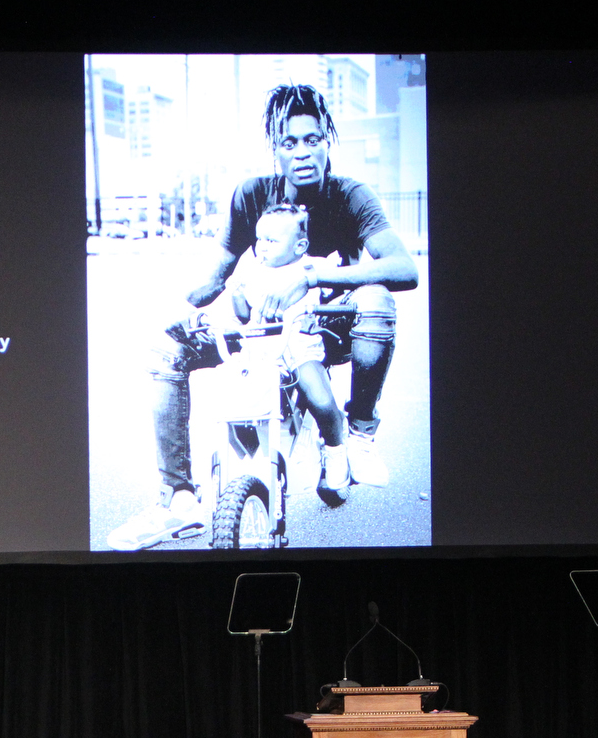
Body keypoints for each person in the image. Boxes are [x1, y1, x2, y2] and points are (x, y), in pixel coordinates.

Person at [108, 83, 418, 550]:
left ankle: (359, 432)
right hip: (263, 326)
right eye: (289, 143)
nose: (302, 153)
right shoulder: (252, 195)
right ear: (275, 149)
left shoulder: (351, 195)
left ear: (327, 140)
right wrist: (181, 308)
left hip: (326, 326)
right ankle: (178, 501)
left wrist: (312, 277)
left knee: (377, 299)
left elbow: (404, 268)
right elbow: (211, 280)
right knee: (166, 349)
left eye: (312, 139)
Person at [223, 203, 352, 504]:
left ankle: (335, 448)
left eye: (271, 241)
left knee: (318, 394)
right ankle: (250, 462)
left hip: (299, 347)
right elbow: (243, 316)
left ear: (300, 246)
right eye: (259, 239)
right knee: (233, 398)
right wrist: (238, 296)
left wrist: (323, 310)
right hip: (260, 349)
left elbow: (337, 292)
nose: (261, 247)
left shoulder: (311, 269)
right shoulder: (252, 271)